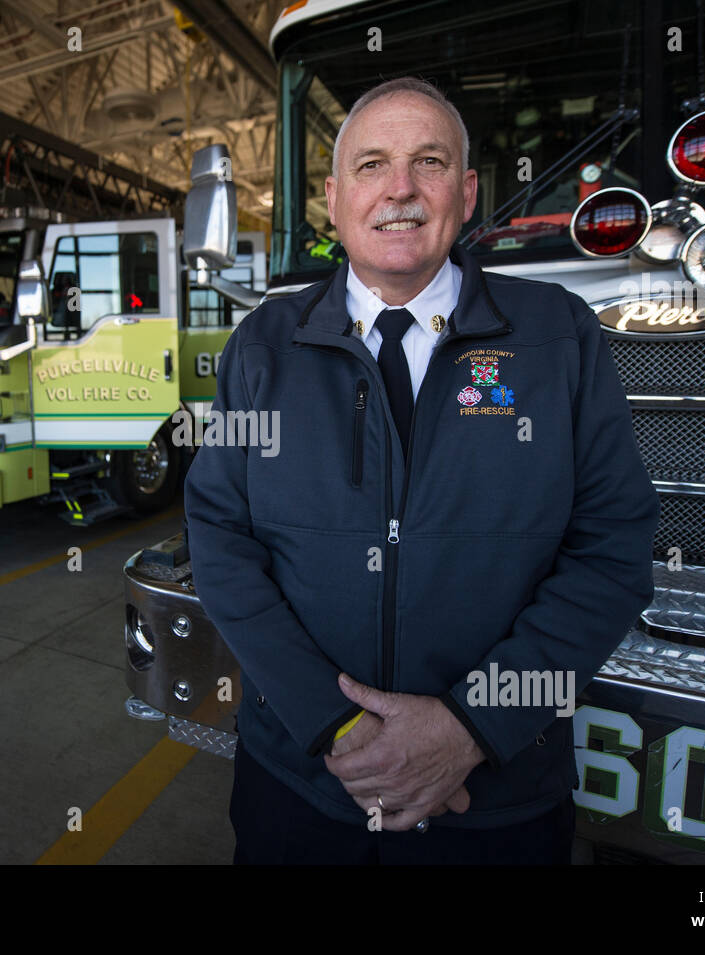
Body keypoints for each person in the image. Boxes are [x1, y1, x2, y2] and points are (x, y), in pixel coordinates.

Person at [182, 76, 661, 865]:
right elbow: (219, 537)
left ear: (466, 192)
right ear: (334, 200)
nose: (400, 189)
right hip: (301, 787)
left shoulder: (557, 337)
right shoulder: (262, 346)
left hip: (497, 803)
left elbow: (611, 552)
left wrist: (473, 726)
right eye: (372, 165)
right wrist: (334, 727)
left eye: (429, 162)